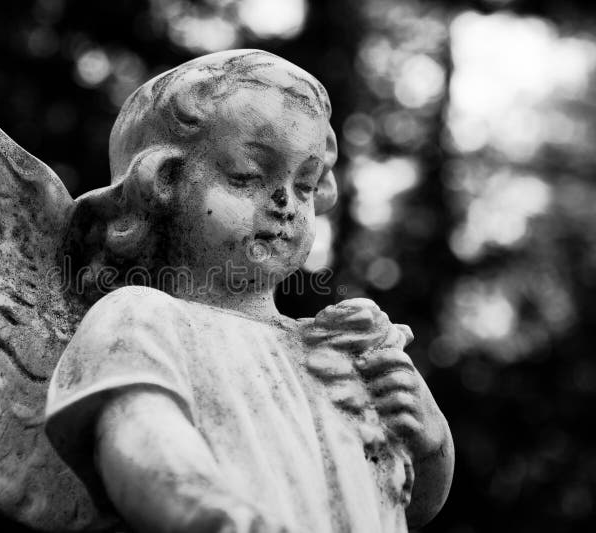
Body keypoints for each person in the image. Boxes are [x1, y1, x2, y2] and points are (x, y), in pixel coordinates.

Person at [45, 50, 453, 533]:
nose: (284, 204)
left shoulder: (334, 351)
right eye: (246, 176)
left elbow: (409, 502)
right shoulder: (140, 317)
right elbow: (139, 436)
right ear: (163, 184)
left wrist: (428, 440)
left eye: (304, 185)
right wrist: (206, 511)